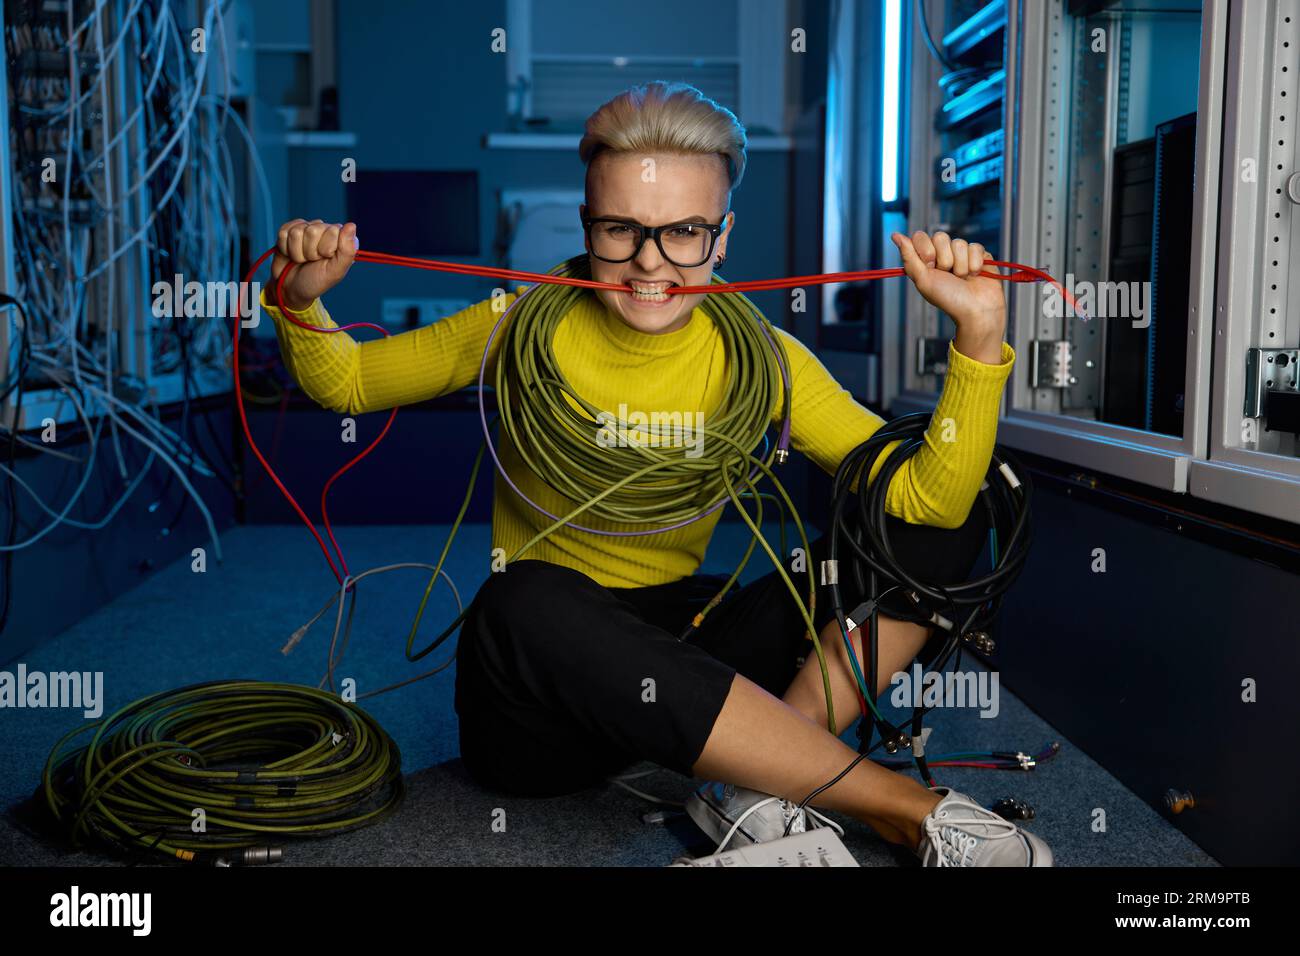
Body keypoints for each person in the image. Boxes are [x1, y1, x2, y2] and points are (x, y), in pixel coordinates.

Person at [260, 80, 1051, 867]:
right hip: (541, 706)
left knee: (944, 526)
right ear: (586, 224)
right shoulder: (516, 325)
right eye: (621, 230)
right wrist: (300, 300)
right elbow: (351, 384)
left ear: (723, 235)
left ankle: (752, 784)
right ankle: (897, 807)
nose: (649, 263)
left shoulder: (765, 359)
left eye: (684, 232)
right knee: (526, 598)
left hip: (684, 645)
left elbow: (927, 505)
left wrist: (980, 335)